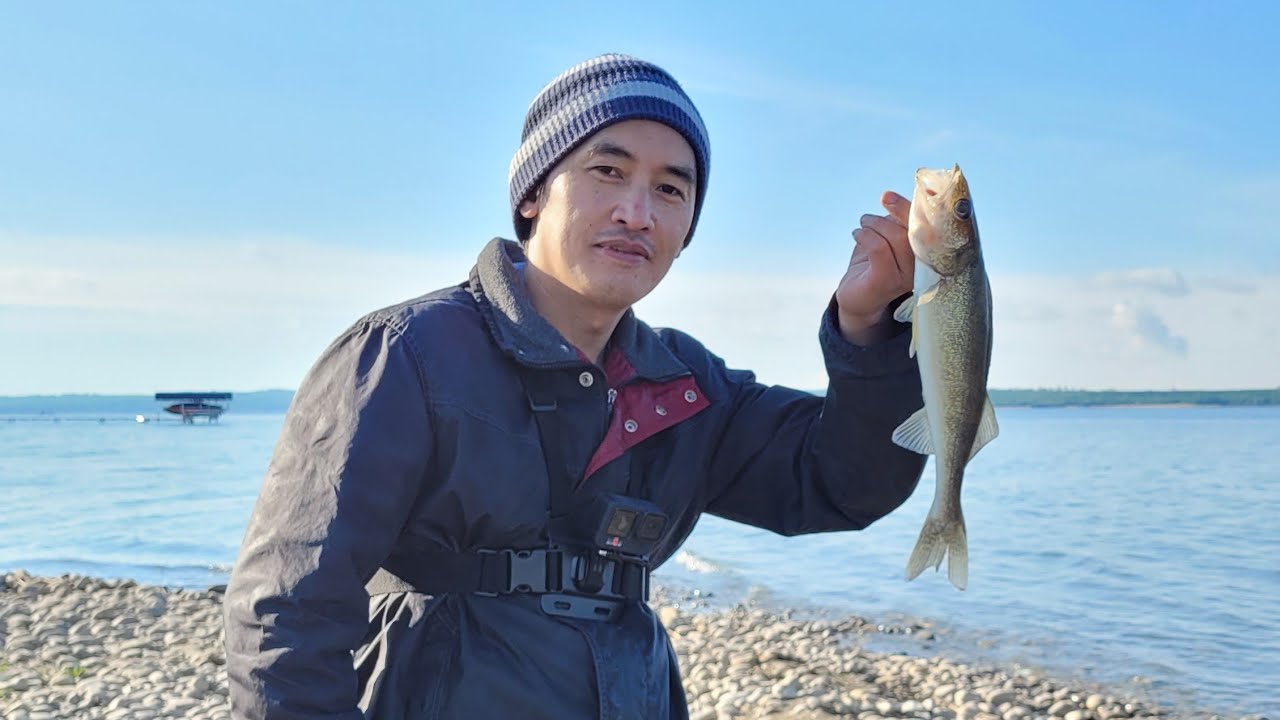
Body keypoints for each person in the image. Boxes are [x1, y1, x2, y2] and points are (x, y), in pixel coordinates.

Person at [223, 53, 927, 720]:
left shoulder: (687, 387)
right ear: (532, 194)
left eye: (670, 189)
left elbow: (842, 480)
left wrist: (870, 331)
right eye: (607, 171)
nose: (636, 212)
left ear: (687, 230)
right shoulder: (406, 355)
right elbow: (286, 609)